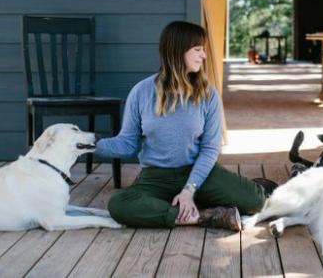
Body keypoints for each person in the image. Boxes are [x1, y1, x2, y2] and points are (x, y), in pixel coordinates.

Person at [96, 21, 270, 231]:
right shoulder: (141, 92)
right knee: (119, 205)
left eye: (203, 50)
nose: (203, 56)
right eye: (197, 50)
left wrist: (189, 189)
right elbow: (127, 144)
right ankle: (204, 215)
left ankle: (180, 205)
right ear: (178, 51)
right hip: (156, 177)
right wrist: (87, 143)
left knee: (257, 201)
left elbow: (210, 148)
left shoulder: (208, 95)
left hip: (198, 174)